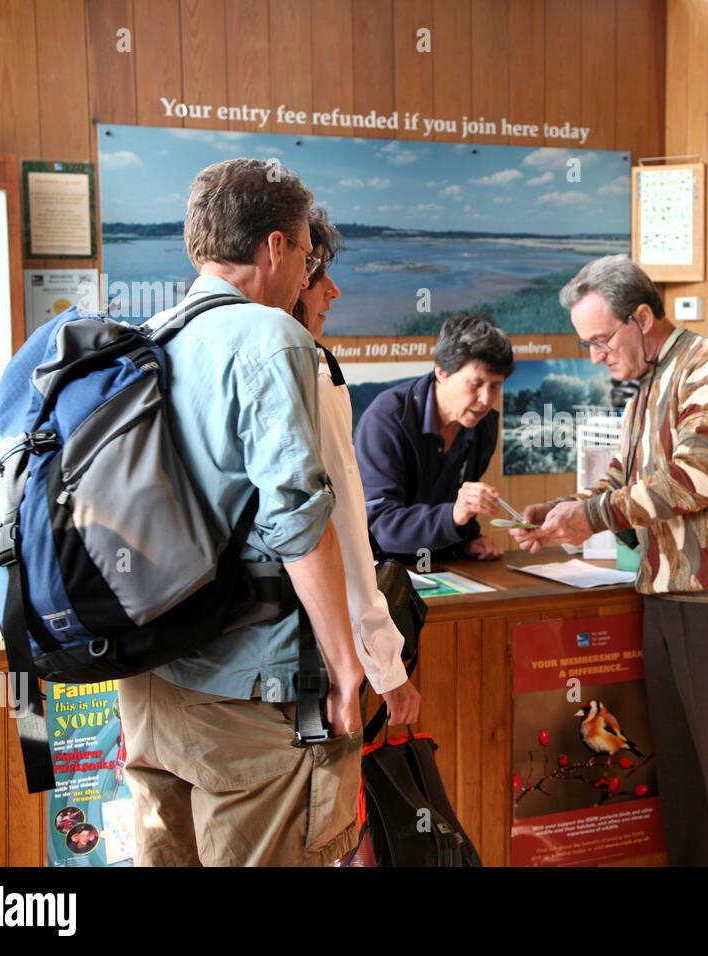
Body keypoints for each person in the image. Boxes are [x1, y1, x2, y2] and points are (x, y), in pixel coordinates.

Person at [117, 158, 366, 867]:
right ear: (277, 248)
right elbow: (296, 522)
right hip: (244, 693)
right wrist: (348, 666)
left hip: (151, 681)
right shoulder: (271, 336)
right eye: (306, 256)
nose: (304, 279)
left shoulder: (148, 337)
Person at [511, 254, 708, 867]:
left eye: (601, 340)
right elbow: (620, 477)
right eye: (587, 344)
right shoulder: (645, 391)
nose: (596, 356)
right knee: (687, 781)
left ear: (641, 317)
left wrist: (595, 516)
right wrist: (563, 509)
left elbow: (694, 479)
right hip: (667, 599)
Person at [290, 205, 420, 725]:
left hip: (174, 671)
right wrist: (384, 669)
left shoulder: (173, 343)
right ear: (280, 263)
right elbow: (342, 528)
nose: (333, 291)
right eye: (317, 273)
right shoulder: (308, 371)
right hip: (292, 673)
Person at [354, 311, 514, 563]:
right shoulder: (385, 419)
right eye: (475, 384)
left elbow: (454, 503)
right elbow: (380, 526)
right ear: (441, 372)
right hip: (379, 569)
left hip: (440, 565)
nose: (486, 400)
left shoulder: (484, 425)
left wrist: (468, 539)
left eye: (495, 386)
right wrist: (454, 516)